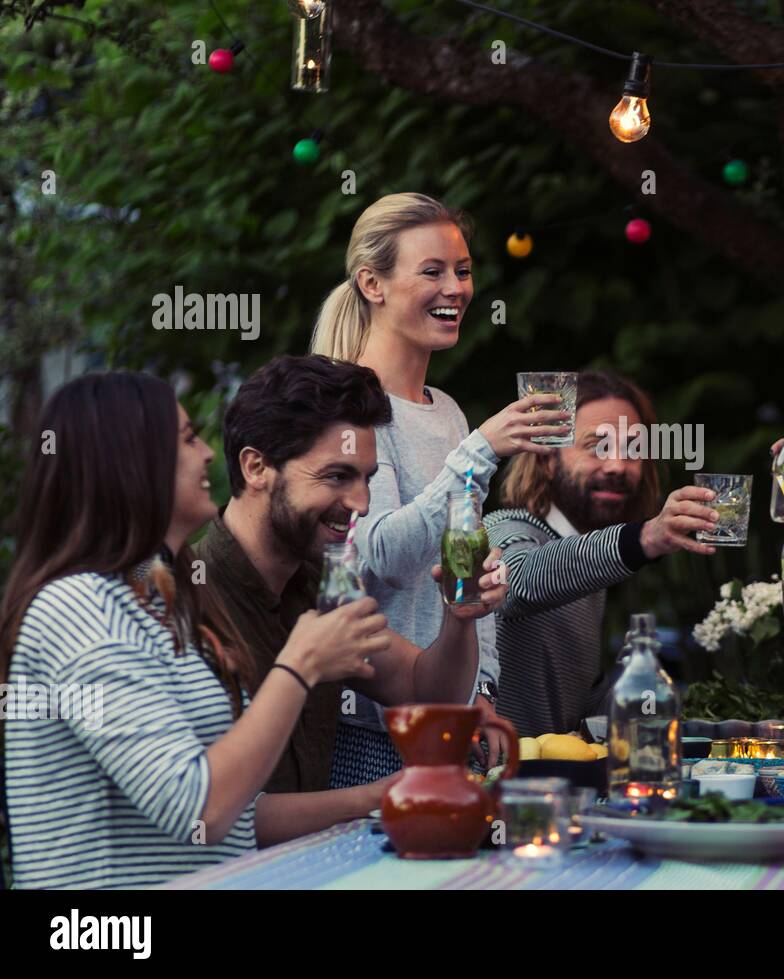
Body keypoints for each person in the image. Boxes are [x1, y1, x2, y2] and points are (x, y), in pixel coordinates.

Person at [0, 373, 387, 888]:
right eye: (187, 439)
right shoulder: (75, 609)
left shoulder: (163, 598)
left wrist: (377, 799)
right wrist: (300, 666)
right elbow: (196, 809)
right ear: (128, 460)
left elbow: (237, 817)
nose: (207, 453)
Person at [310, 192, 570, 781]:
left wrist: (483, 689)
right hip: (374, 739)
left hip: (451, 727)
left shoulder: (446, 410)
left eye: (463, 270)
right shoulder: (345, 405)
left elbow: (460, 573)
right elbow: (380, 555)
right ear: (372, 284)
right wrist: (480, 451)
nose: (456, 288)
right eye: (432, 271)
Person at [196, 354, 506, 800]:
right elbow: (223, 815)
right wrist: (379, 796)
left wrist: (459, 617)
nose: (361, 502)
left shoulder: (328, 585)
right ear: (256, 467)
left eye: (367, 479)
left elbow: (425, 690)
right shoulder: (185, 597)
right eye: (337, 476)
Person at [486, 371, 720, 738]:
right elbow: (516, 583)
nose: (617, 466)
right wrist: (645, 537)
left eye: (632, 450)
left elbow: (575, 713)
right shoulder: (504, 528)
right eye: (597, 446)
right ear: (547, 458)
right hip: (493, 785)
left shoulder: (590, 567)